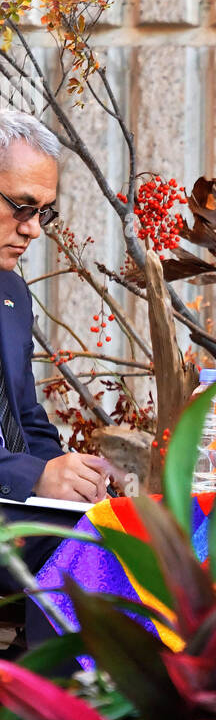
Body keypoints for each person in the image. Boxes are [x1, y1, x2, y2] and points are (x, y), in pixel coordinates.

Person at [0, 110, 116, 600]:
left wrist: (73, 477)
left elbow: (25, 417)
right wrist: (37, 478)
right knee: (85, 552)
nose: (33, 230)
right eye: (22, 207)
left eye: (44, 212)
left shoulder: (11, 292)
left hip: (12, 508)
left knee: (124, 528)